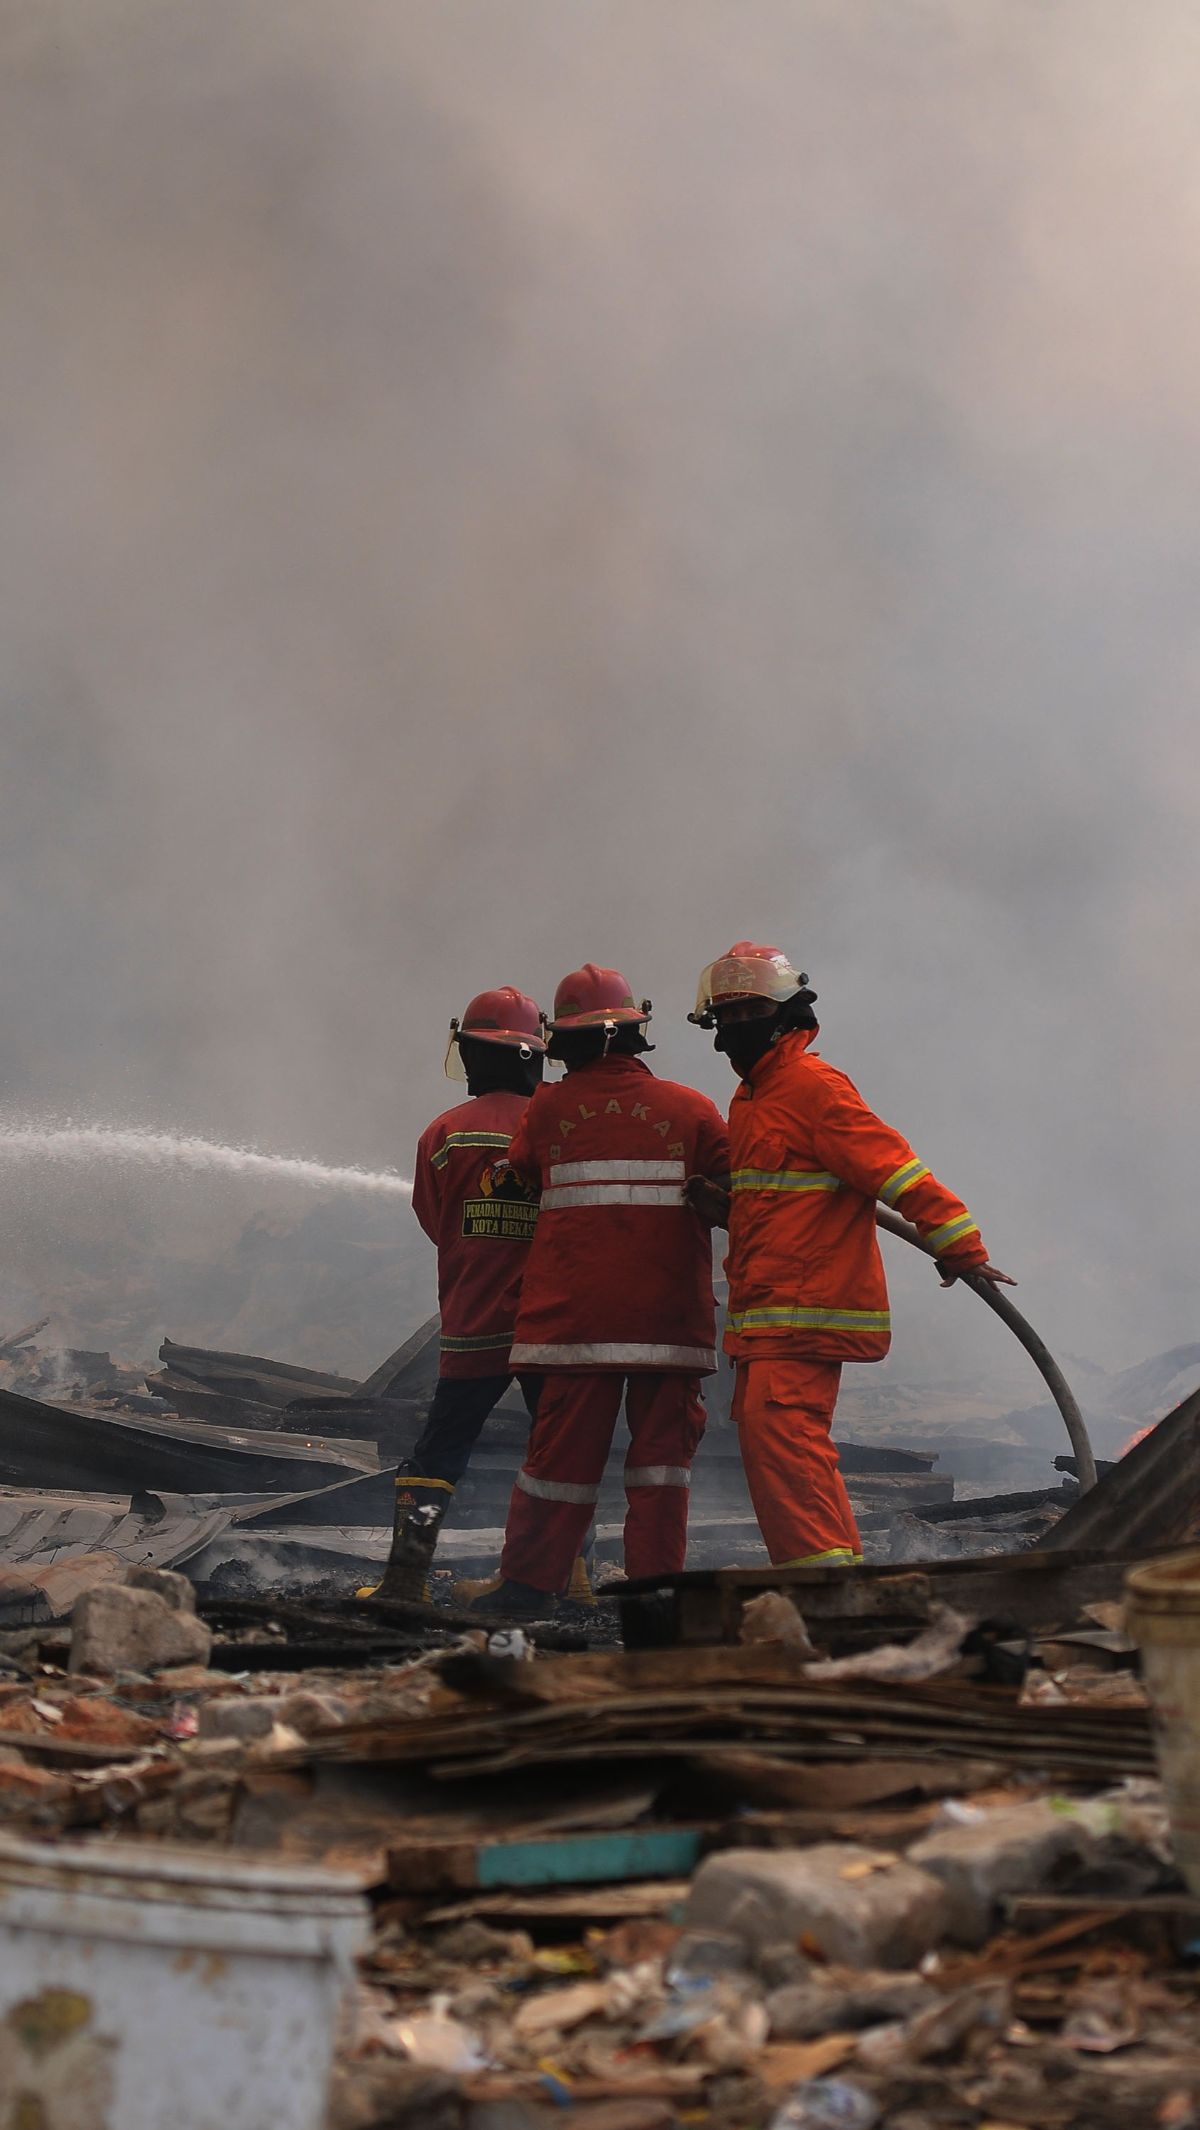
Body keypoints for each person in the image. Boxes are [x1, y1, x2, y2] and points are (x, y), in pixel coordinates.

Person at [687, 942, 1014, 1568]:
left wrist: (958, 1246)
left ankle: (824, 1596)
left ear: (786, 1014)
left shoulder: (813, 1087)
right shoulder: (753, 1099)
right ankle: (837, 1578)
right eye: (722, 1018)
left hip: (805, 1307)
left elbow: (897, 1172)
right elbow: (786, 1207)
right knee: (781, 1444)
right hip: (767, 1310)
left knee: (784, 1440)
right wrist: (725, 1207)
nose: (731, 1030)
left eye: (745, 1012)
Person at [471, 964, 731, 1616]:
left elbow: (522, 1174)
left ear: (566, 1043)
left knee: (558, 1466)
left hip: (574, 1330)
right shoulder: (695, 1110)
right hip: (667, 1330)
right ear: (636, 1035)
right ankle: (654, 1596)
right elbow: (739, 1197)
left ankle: (529, 1588)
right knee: (661, 1471)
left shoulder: (550, 1109)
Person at [369, 986, 547, 1600]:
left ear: (474, 1055)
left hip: (475, 1323)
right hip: (551, 1324)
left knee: (439, 1453)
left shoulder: (444, 1133)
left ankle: (406, 1579)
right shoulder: (560, 1123)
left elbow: (434, 1220)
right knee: (560, 1456)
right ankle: (566, 1578)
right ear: (533, 1056)